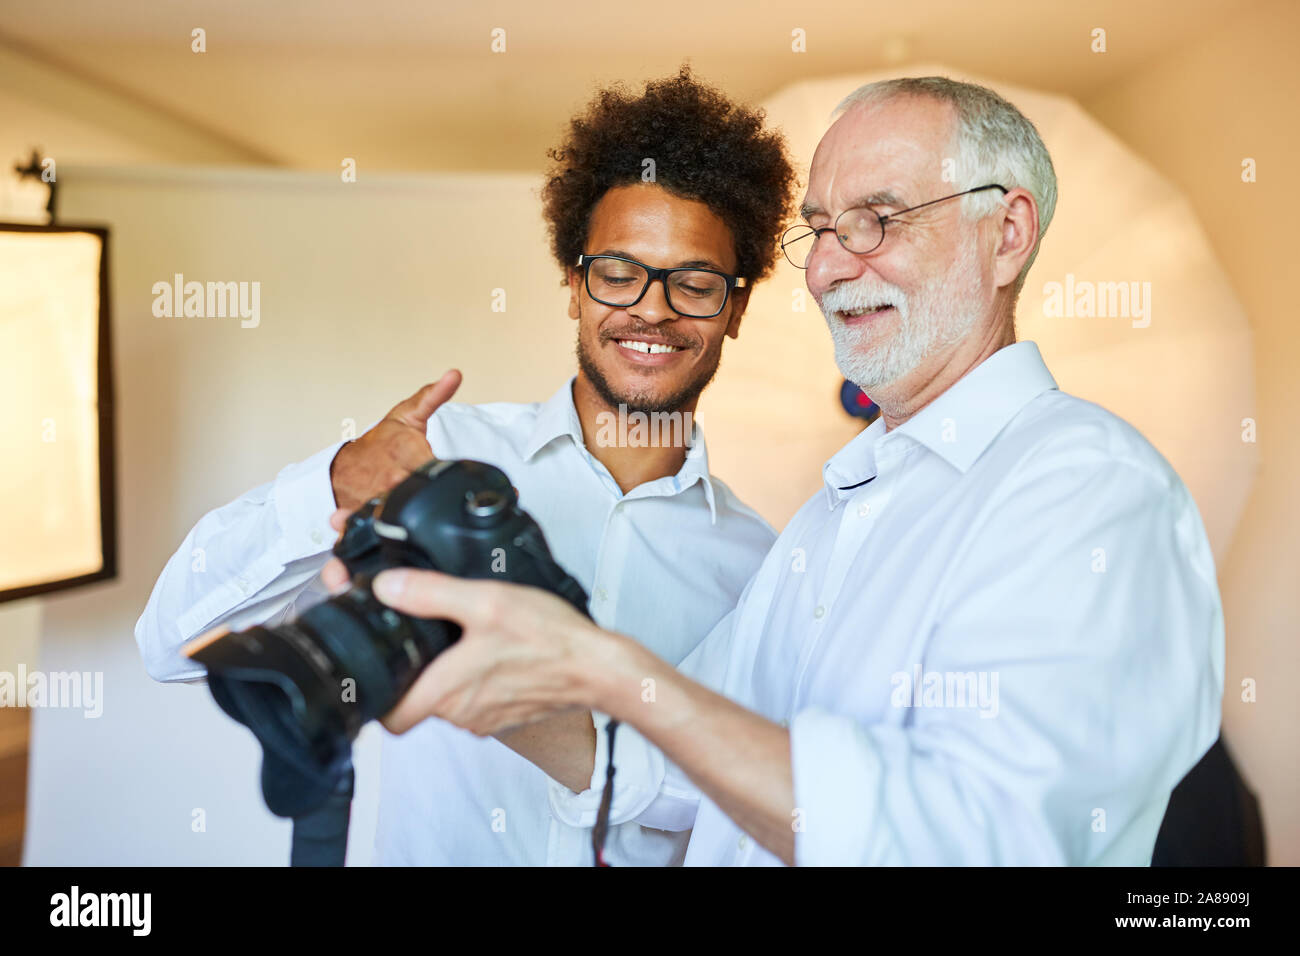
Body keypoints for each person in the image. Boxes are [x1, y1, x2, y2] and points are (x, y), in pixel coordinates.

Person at [346, 76, 1225, 865]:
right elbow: (664, 763)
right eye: (822, 229)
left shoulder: (1088, 489)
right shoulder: (829, 521)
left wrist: (603, 665)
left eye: (878, 219)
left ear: (1007, 233)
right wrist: (483, 673)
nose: (834, 267)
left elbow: (974, 841)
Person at [135, 66, 798, 866]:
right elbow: (172, 642)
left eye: (693, 282)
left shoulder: (763, 567)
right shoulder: (438, 459)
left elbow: (736, 803)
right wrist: (335, 483)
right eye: (618, 273)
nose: (651, 309)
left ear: (736, 308)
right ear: (572, 283)